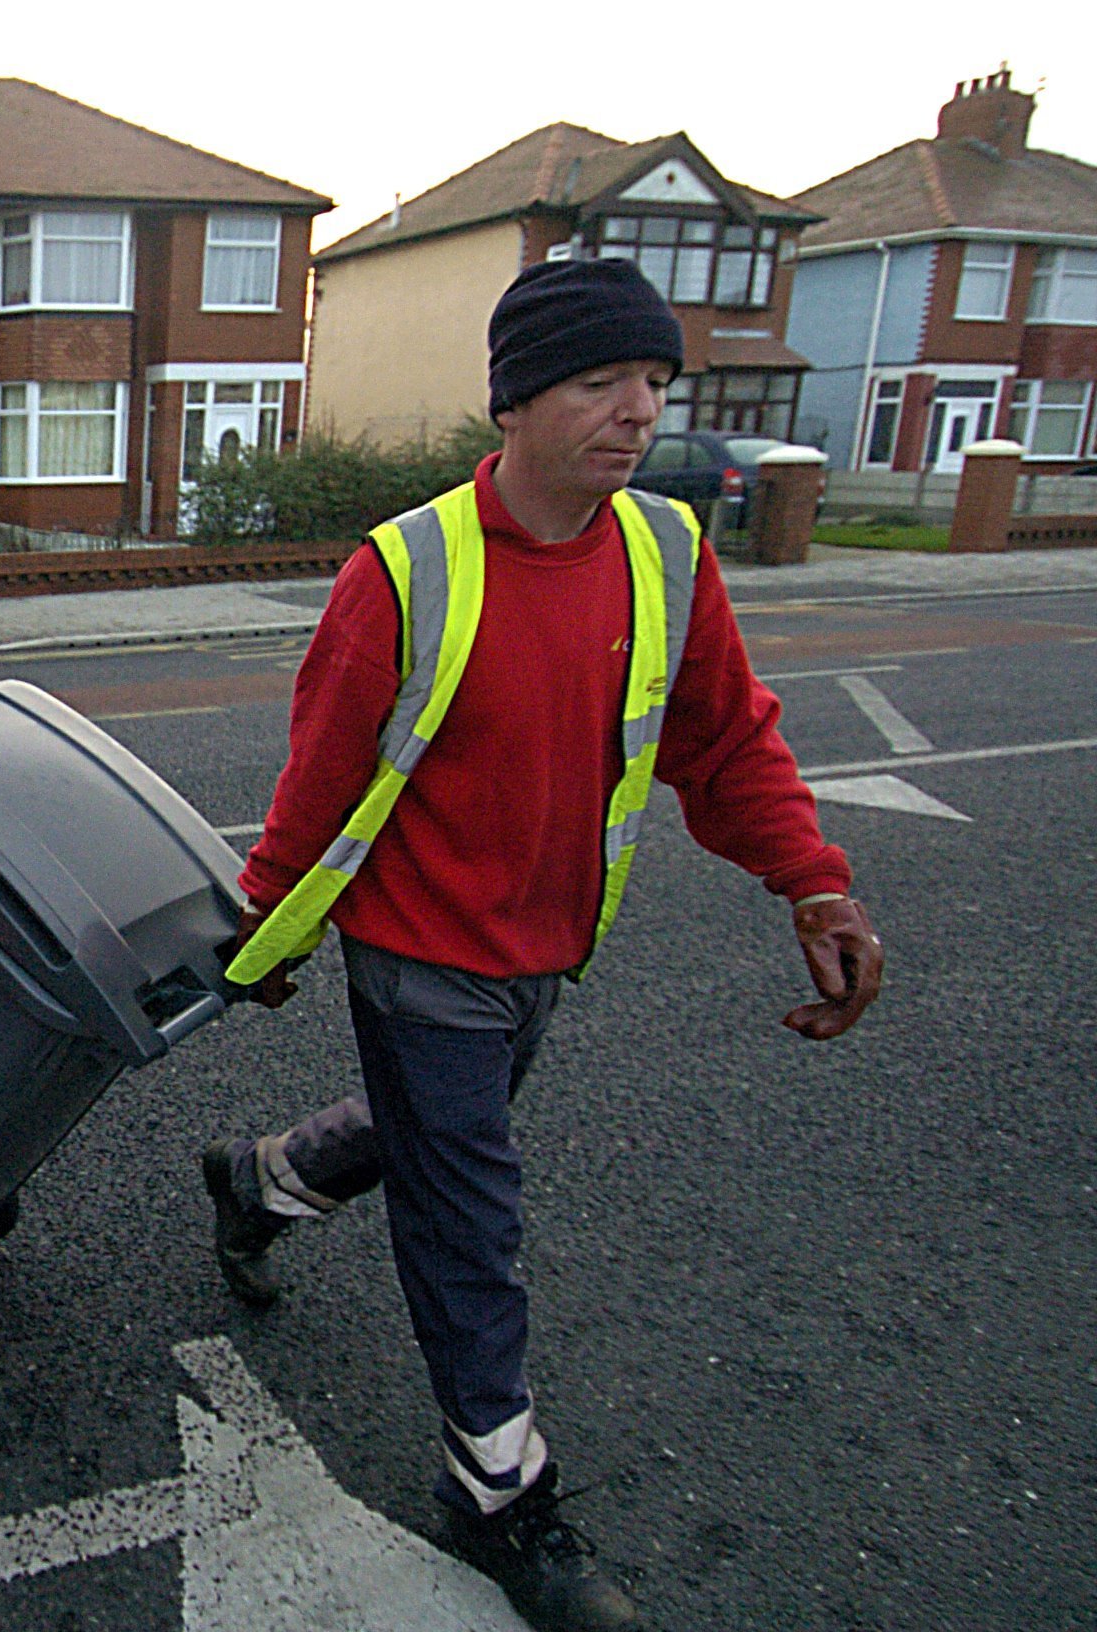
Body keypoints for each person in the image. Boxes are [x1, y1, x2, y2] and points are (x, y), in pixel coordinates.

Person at [201, 257, 884, 1632]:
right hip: (418, 955)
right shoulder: (402, 573)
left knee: (437, 1142)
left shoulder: (670, 556)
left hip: (547, 954)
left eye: (655, 384)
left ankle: (265, 1180)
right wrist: (257, 944)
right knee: (470, 1221)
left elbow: (727, 739)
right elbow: (317, 788)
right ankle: (500, 1493)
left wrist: (813, 883)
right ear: (515, 402)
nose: (639, 412)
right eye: (602, 382)